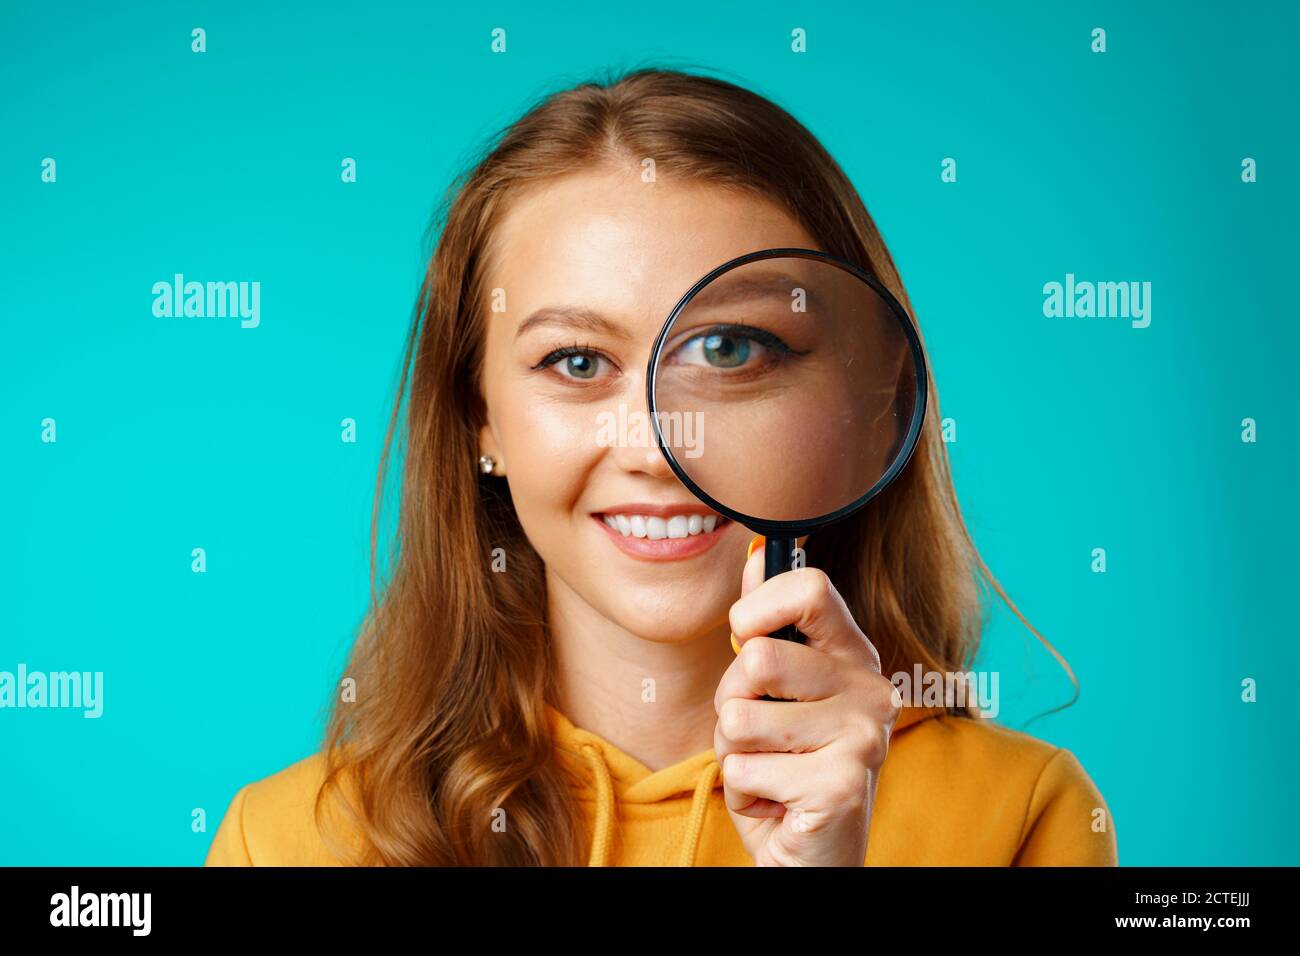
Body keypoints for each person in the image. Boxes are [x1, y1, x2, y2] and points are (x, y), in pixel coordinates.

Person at [205, 67, 1117, 867]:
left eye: (730, 350)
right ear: (481, 416)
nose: (652, 447)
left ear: (859, 403)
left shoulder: (1019, 817)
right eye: (574, 362)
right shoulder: (286, 842)